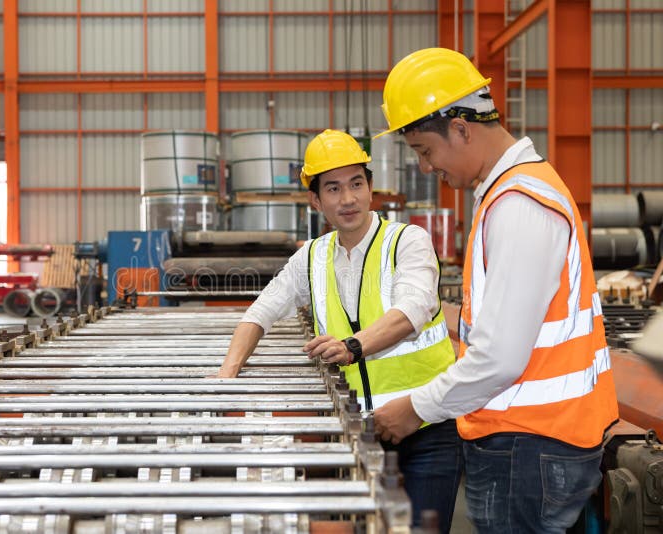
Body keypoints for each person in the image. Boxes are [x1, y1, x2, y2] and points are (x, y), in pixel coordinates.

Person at [372, 47, 619, 533]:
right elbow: (513, 324)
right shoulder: (513, 194)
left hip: (530, 446)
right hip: (535, 444)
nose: (425, 168)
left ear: (461, 130)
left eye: (425, 151)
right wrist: (433, 313)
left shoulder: (520, 205)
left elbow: (500, 357)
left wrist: (414, 409)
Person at [217, 128, 462, 532]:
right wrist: (227, 374)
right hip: (356, 429)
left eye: (356, 184)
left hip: (426, 422)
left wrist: (353, 345)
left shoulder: (407, 241)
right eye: (332, 188)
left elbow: (413, 308)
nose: (347, 198)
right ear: (315, 200)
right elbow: (258, 313)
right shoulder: (310, 258)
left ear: (371, 189)